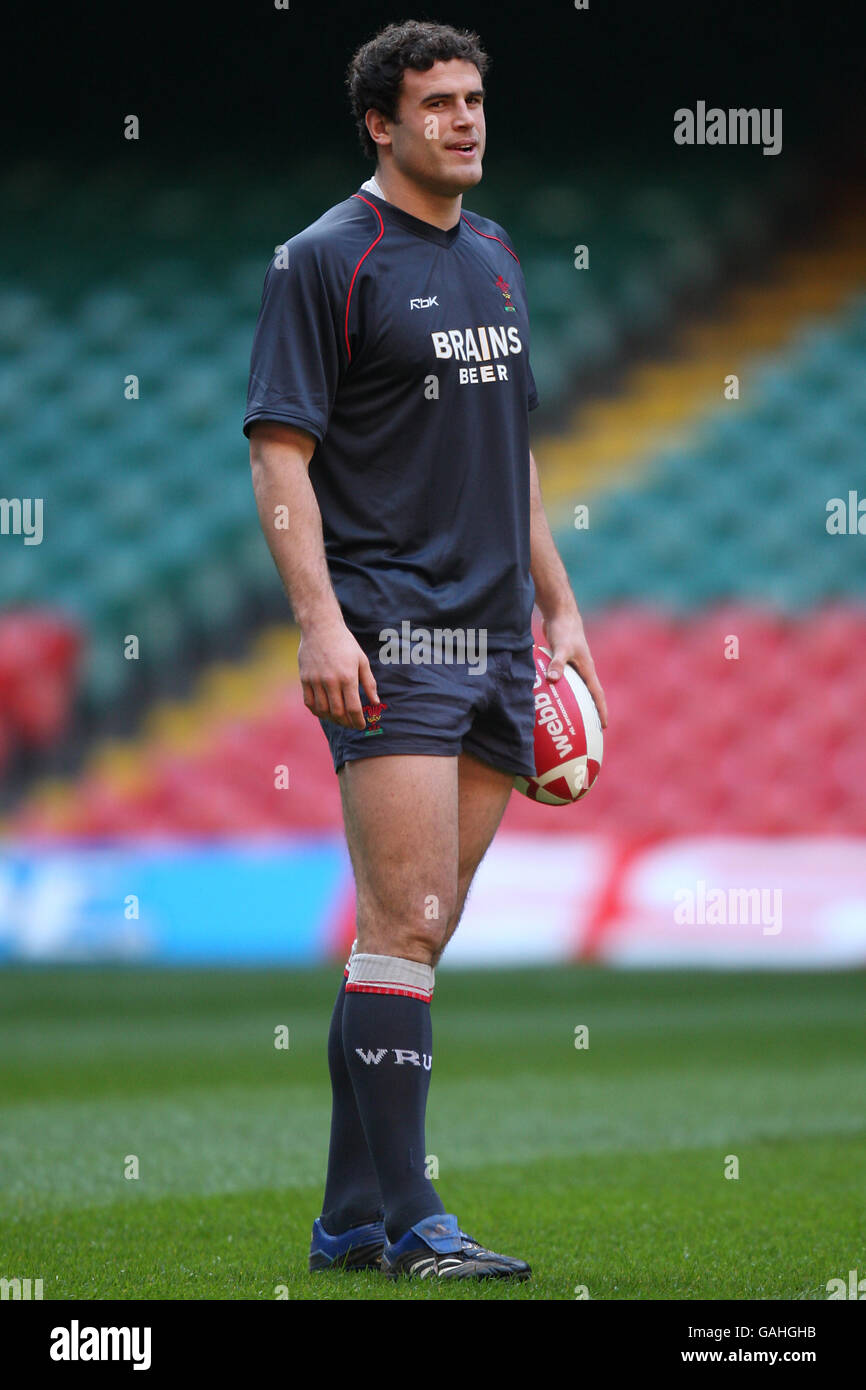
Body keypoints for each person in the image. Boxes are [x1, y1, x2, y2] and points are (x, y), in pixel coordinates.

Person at [244, 18, 606, 1281]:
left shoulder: (497, 255)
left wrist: (556, 605)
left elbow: (508, 453)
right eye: (435, 103)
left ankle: (348, 1217)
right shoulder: (323, 260)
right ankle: (412, 1224)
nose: (463, 119)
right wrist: (320, 622)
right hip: (393, 631)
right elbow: (278, 450)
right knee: (401, 916)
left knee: (420, 926)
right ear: (380, 126)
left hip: (500, 639)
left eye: (472, 99)